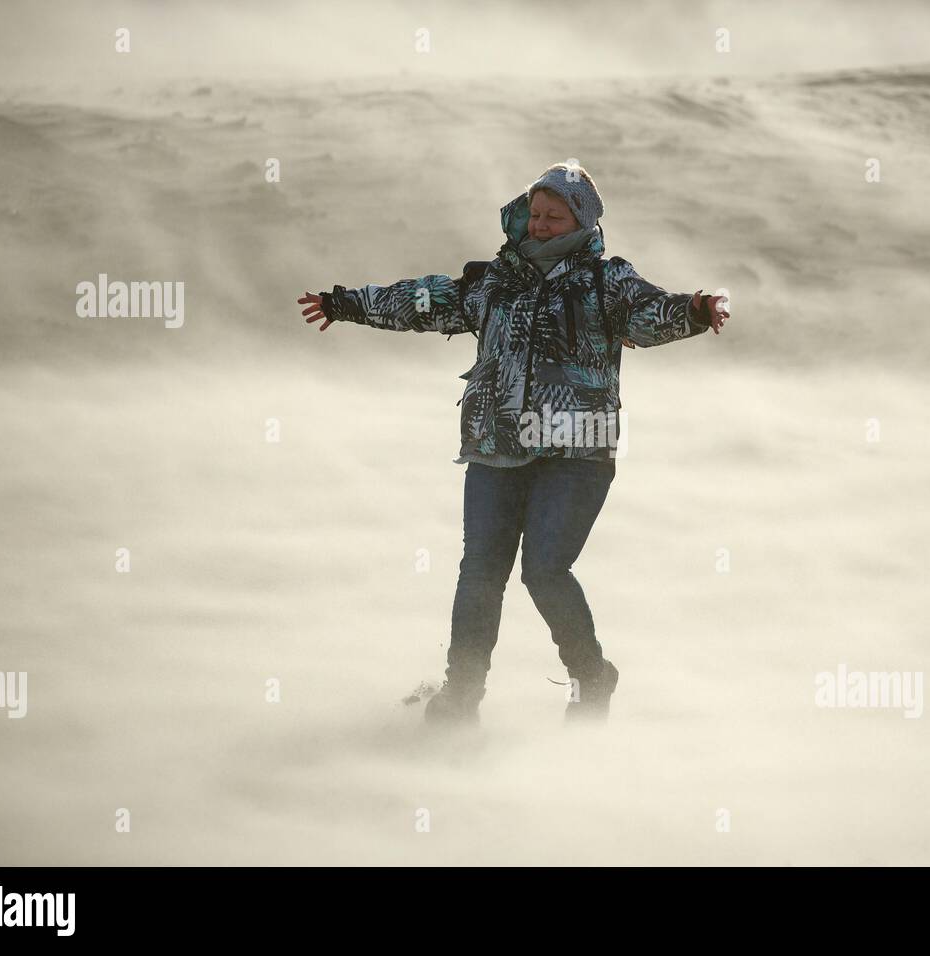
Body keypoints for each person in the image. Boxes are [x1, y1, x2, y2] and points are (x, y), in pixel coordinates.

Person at [297, 162, 729, 726]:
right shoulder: (494, 281)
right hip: (495, 444)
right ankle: (462, 694)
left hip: (577, 451)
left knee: (544, 571)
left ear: (583, 219)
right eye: (536, 214)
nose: (542, 225)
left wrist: (696, 309)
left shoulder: (606, 280)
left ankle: (590, 677)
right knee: (480, 569)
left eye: (556, 216)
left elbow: (651, 314)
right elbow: (424, 301)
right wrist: (346, 303)